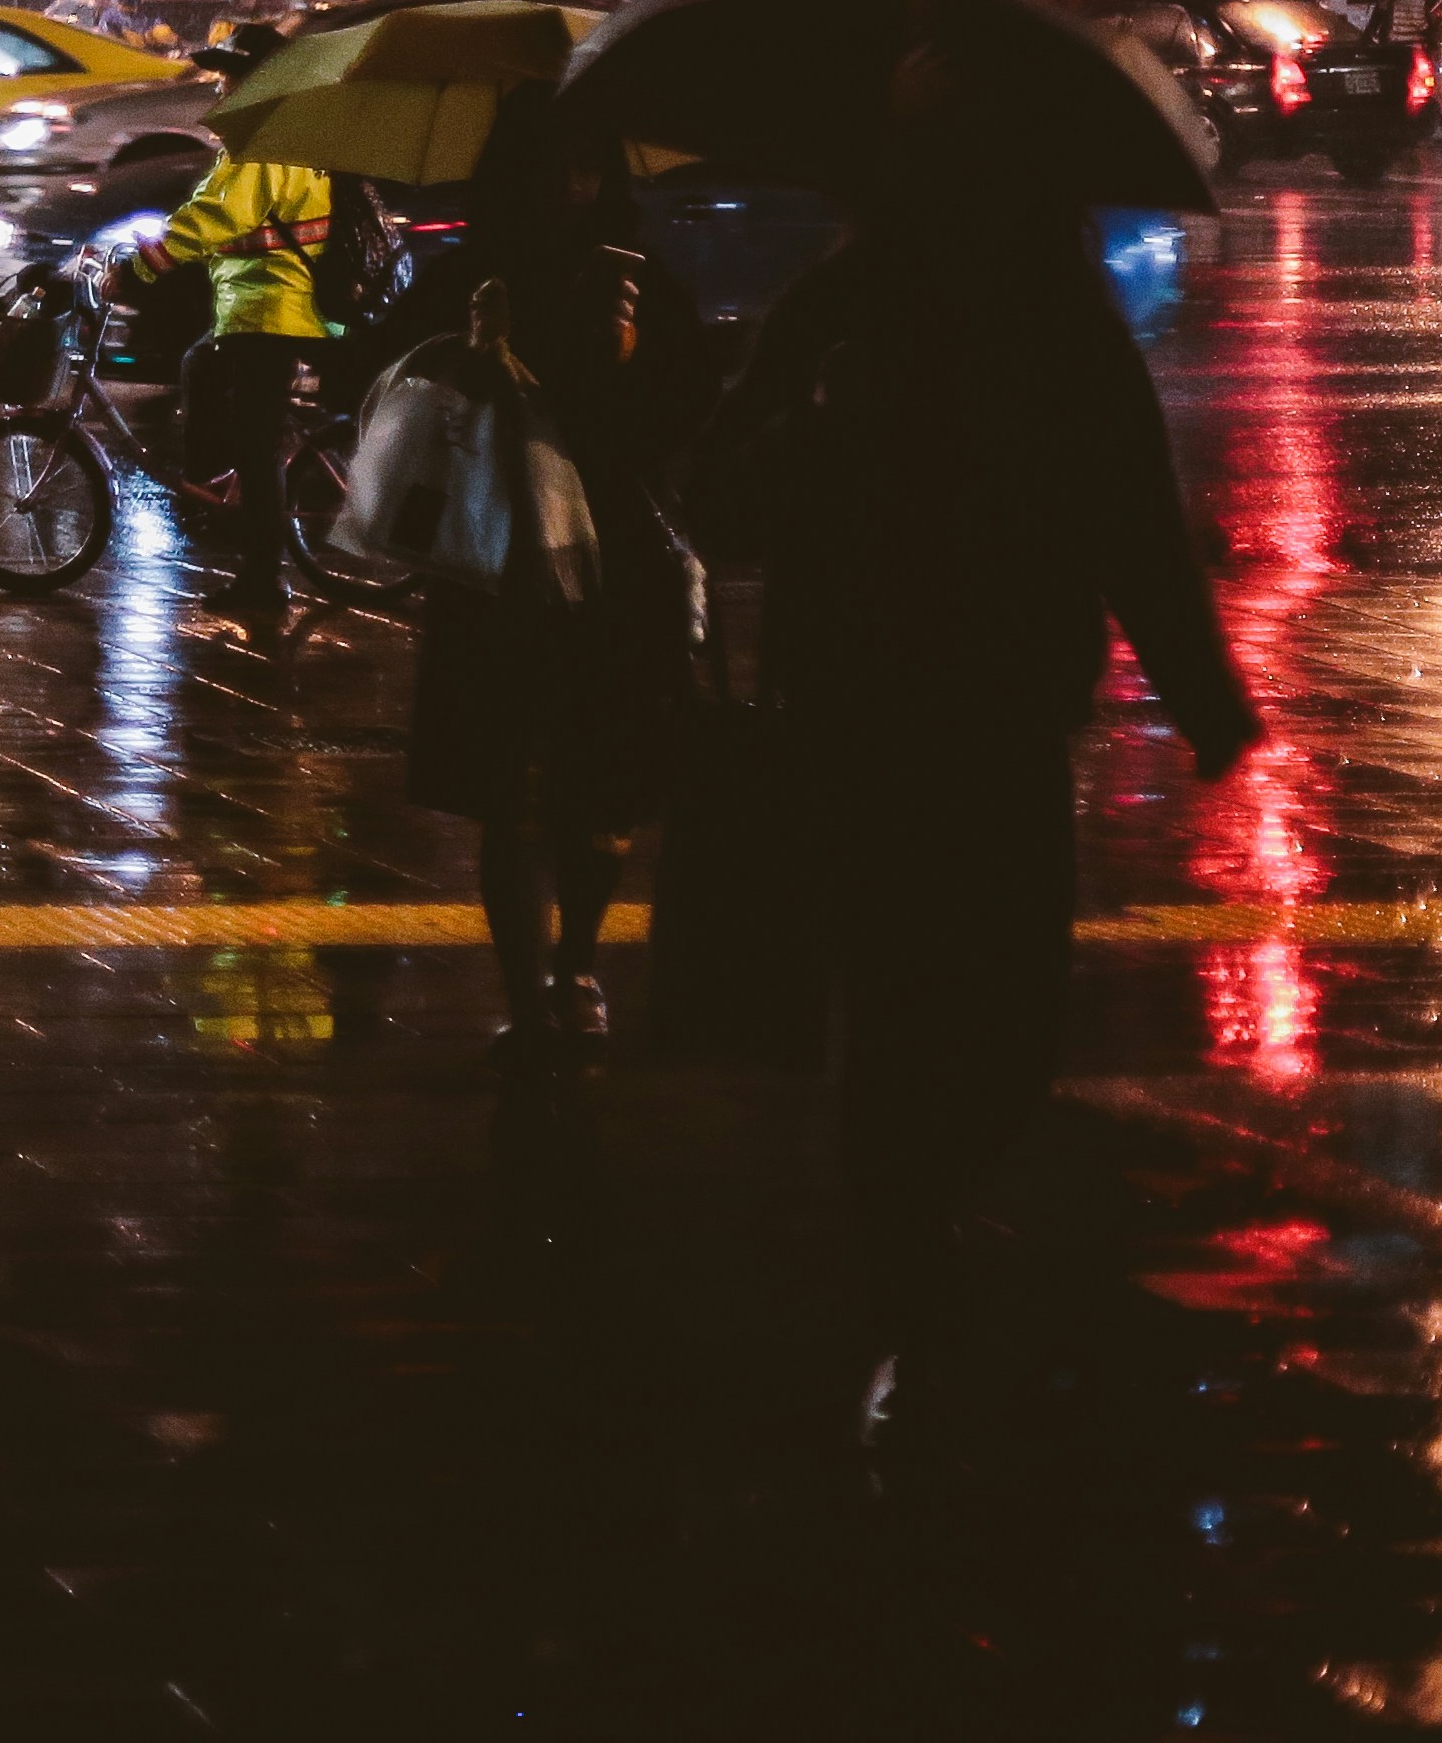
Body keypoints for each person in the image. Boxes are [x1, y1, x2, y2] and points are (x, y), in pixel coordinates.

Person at [699, 94, 1260, 1453]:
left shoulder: (1043, 316)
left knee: (989, 994)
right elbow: (721, 496)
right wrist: (824, 434)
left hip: (990, 707)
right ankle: (909, 1231)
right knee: (928, 987)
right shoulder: (839, 315)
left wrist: (1199, 685)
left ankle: (917, 1203)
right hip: (878, 707)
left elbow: (1128, 505)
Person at [371, 98, 710, 1050]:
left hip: (614, 572)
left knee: (603, 792)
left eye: (588, 167)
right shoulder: (468, 280)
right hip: (498, 570)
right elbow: (380, 379)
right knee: (510, 790)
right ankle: (529, 998)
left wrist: (624, 361)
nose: (570, 188)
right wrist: (468, 362)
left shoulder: (637, 284)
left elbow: (684, 416)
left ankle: (578, 965)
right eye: (549, 167)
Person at [112, 136, 340, 635]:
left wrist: (137, 270)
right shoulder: (287, 144)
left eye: (226, 81)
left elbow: (214, 217)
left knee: (256, 445)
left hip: (271, 309)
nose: (218, 93)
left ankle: (262, 580)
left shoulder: (260, 150)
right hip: (263, 304)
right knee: (199, 365)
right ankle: (214, 484)